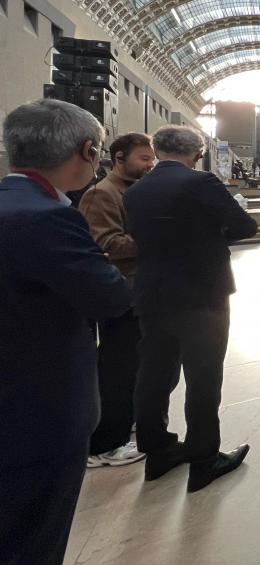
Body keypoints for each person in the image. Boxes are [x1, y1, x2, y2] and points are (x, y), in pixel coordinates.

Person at [0, 99, 133, 565]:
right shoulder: (51, 217)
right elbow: (111, 298)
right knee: (34, 535)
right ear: (88, 151)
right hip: (40, 404)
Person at [124, 125, 258, 494]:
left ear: (158, 150)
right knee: (203, 378)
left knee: (153, 375)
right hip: (202, 294)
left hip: (151, 293)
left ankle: (158, 452)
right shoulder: (201, 183)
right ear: (197, 154)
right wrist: (208, 240)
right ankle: (203, 460)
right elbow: (245, 225)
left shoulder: (136, 190)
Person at [78, 132, 155, 468]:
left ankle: (126, 419)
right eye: (143, 158)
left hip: (141, 289)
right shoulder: (102, 193)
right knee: (116, 367)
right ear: (119, 157)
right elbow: (107, 242)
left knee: (134, 363)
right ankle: (103, 444)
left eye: (152, 158)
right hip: (119, 290)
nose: (150, 164)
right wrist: (158, 239)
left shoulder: (133, 191)